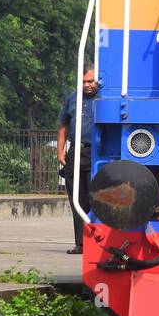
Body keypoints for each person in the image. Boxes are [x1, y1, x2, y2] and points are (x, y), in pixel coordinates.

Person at [58, 65, 99, 255]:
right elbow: (63, 125)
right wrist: (60, 151)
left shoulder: (104, 98)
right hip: (75, 152)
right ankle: (80, 243)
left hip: (97, 153)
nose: (87, 85)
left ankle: (97, 242)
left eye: (90, 81)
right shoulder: (72, 98)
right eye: (83, 82)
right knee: (76, 199)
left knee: (96, 197)